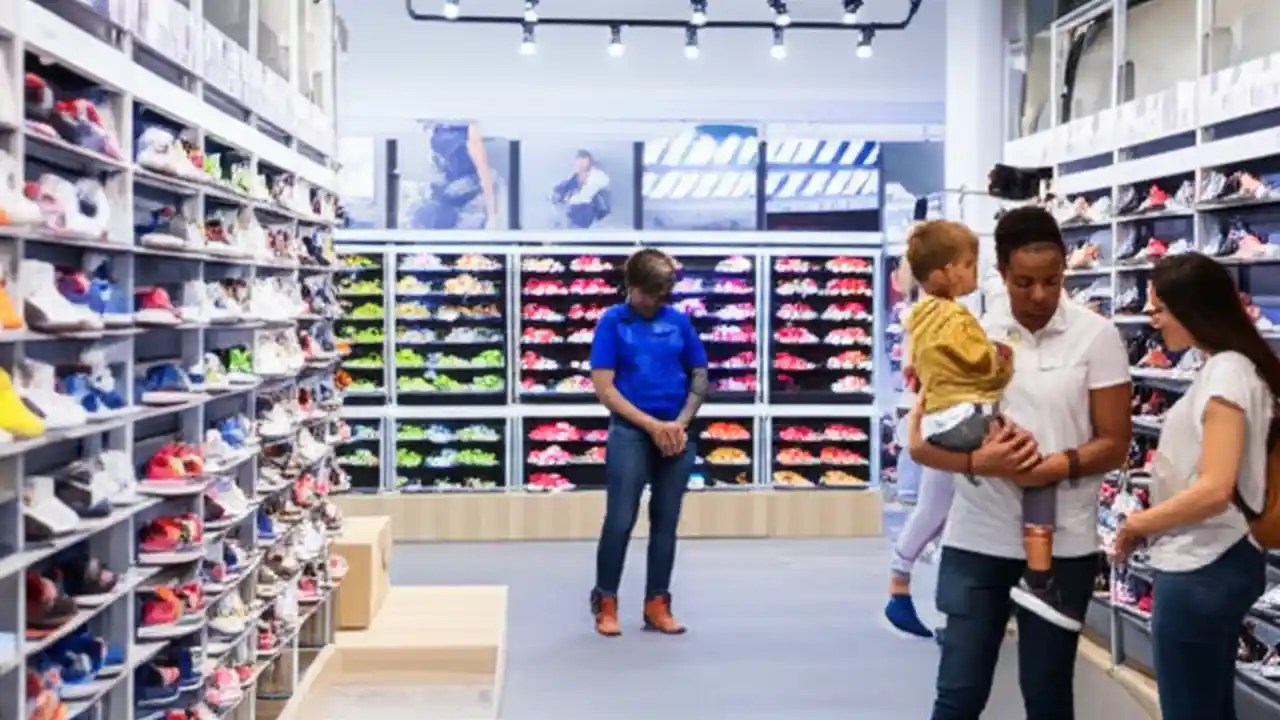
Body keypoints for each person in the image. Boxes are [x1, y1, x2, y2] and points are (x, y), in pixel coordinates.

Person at [907, 205, 1132, 720]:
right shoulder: (969, 328)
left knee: (1048, 695)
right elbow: (923, 435)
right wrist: (981, 460)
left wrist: (1048, 468)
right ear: (1002, 273)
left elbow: (1115, 441)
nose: (1039, 295)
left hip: (1064, 543)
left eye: (1052, 281)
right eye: (1024, 281)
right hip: (976, 538)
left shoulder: (1097, 336)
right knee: (958, 694)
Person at [1113, 253, 1271, 720]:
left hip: (1204, 562)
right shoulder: (1231, 367)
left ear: (1192, 307)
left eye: (1159, 307)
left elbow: (1214, 487)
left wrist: (1139, 522)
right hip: (1218, 558)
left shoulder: (1226, 372)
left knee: (1188, 708)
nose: (1152, 318)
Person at [904, 219, 1079, 629]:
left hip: (937, 419)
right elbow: (979, 364)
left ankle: (941, 582)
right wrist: (1002, 359)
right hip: (964, 417)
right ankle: (1036, 575)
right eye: (967, 264)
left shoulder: (921, 314)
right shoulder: (958, 317)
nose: (973, 273)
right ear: (945, 271)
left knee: (948, 500)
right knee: (1035, 466)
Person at [587, 249, 709, 637]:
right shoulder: (612, 322)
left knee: (666, 522)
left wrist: (679, 423)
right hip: (630, 433)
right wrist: (652, 426)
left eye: (663, 295)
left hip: (675, 434)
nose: (656, 302)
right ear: (632, 286)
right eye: (650, 294)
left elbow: (700, 375)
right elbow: (605, 390)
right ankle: (605, 601)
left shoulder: (679, 323)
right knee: (620, 519)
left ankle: (658, 603)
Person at [409, 122, 499, 230]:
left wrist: (492, 214)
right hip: (445, 191)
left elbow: (483, 169)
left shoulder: (470, 127)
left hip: (468, 194)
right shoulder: (437, 125)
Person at [551, 150, 612, 229]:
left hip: (588, 210)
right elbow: (565, 186)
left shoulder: (598, 176)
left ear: (590, 162)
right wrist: (557, 194)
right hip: (573, 209)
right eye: (579, 162)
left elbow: (589, 193)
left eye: (584, 162)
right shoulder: (574, 175)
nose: (581, 165)